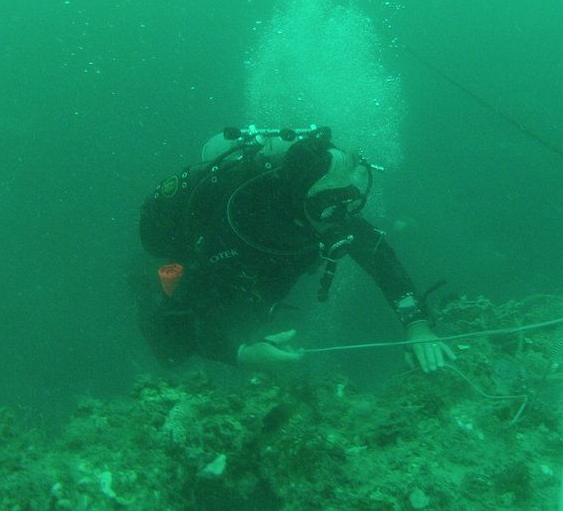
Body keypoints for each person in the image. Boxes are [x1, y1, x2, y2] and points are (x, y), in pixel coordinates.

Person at [136, 125, 455, 373]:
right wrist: (243, 356)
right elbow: (180, 323)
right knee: (173, 349)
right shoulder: (239, 218)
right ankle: (139, 282)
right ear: (296, 197)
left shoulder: (331, 207)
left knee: (251, 318)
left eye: (348, 204)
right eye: (326, 207)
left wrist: (417, 324)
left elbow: (377, 255)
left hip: (267, 269)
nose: (338, 219)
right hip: (224, 265)